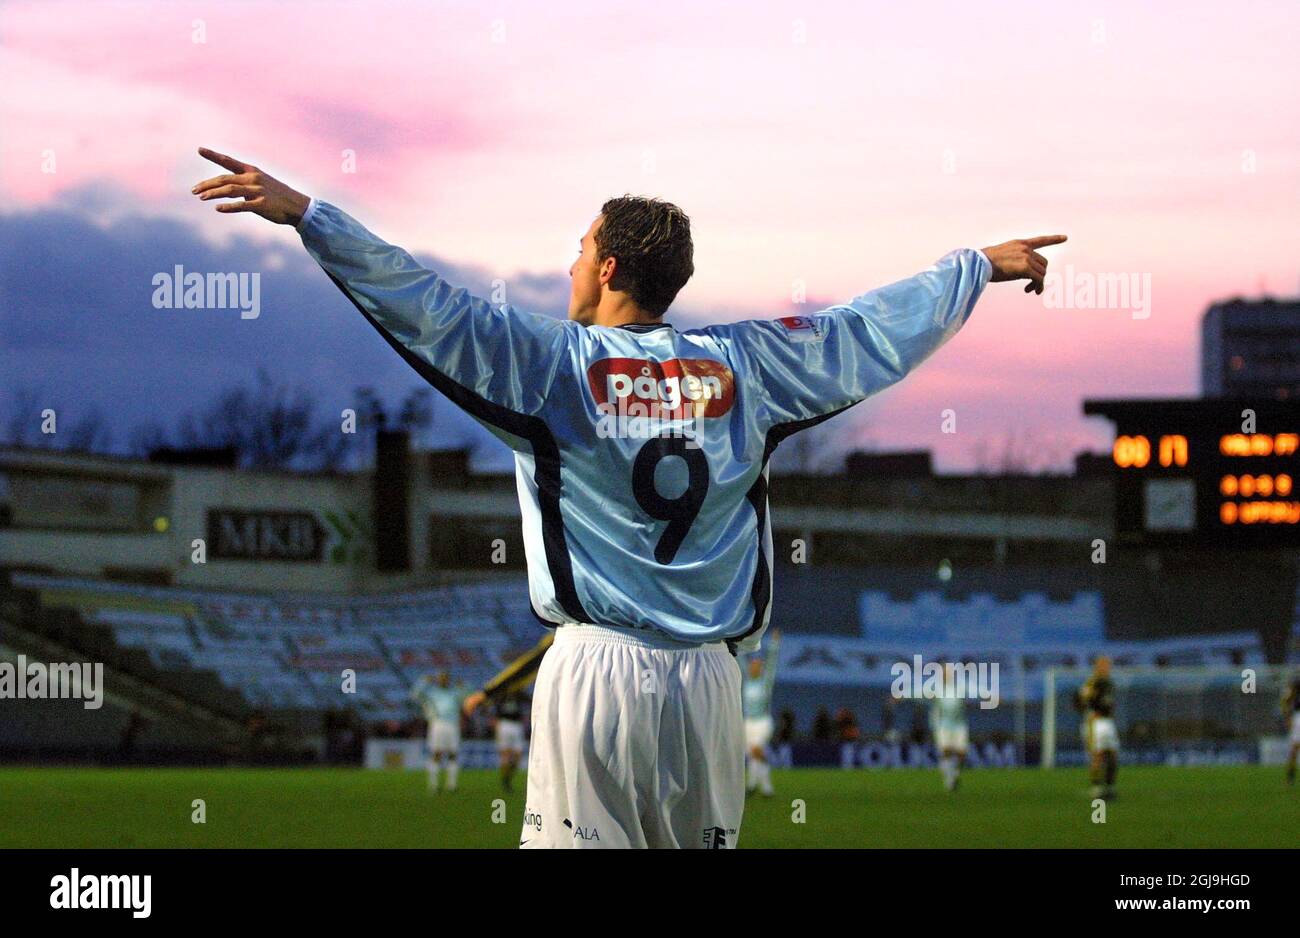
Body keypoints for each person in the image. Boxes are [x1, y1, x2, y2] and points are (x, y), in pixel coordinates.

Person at [192, 147, 1064, 848]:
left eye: (579, 250)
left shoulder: (552, 368)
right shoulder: (745, 366)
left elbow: (427, 309)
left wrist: (312, 218)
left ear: (608, 266)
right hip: (712, 685)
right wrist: (972, 266)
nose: (569, 266)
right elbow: (865, 332)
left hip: (599, 671)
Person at [410, 671, 467, 792]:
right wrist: (423, 682)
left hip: (452, 725)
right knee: (436, 753)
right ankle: (433, 785)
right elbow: (415, 695)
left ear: (449, 679)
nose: (443, 680)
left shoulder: (455, 692)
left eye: (445, 678)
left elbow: (469, 696)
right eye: (441, 678)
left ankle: (451, 785)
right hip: (437, 724)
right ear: (437, 679)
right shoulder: (432, 692)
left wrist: (464, 685)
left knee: (453, 754)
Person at [742, 628, 781, 797]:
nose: (754, 668)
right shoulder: (745, 680)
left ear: (761, 668)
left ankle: (760, 786)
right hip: (748, 722)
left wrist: (774, 643)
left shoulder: (766, 682)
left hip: (763, 721)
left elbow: (772, 662)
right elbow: (739, 658)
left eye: (758, 666)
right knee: (752, 753)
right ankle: (757, 786)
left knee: (757, 750)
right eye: (753, 665)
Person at [1076, 656, 1118, 801]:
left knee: (1113, 755)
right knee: (1097, 756)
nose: (1106, 667)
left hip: (1108, 722)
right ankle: (1097, 789)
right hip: (1096, 722)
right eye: (1103, 665)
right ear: (1097, 667)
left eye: (1108, 665)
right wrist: (1090, 713)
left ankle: (1110, 788)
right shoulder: (1092, 682)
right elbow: (1081, 699)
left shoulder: (1109, 682)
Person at [929, 662, 969, 792]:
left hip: (960, 725)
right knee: (946, 751)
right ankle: (949, 779)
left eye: (949, 673)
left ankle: (954, 774)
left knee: (962, 753)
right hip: (943, 725)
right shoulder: (936, 689)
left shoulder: (959, 688)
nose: (947, 675)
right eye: (945, 673)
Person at [1282, 674, 1300, 786]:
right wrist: (1288, 717)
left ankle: (1290, 778)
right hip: (1298, 718)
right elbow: (1285, 701)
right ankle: (1290, 777)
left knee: (1294, 748)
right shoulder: (1296, 685)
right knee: (1294, 748)